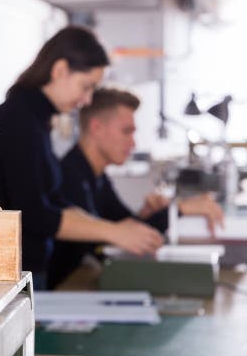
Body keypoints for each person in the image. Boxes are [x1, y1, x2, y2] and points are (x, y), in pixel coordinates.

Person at [0, 26, 164, 290]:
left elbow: (55, 201)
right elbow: (33, 213)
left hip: (27, 270)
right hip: (10, 275)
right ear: (60, 70)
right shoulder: (18, 119)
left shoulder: (36, 120)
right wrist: (112, 231)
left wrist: (118, 227)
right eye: (86, 87)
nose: (87, 100)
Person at [48, 87, 224, 288]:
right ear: (96, 128)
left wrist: (147, 214)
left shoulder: (97, 176)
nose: (133, 143)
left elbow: (124, 230)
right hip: (64, 290)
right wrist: (180, 209)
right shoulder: (69, 178)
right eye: (126, 131)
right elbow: (106, 243)